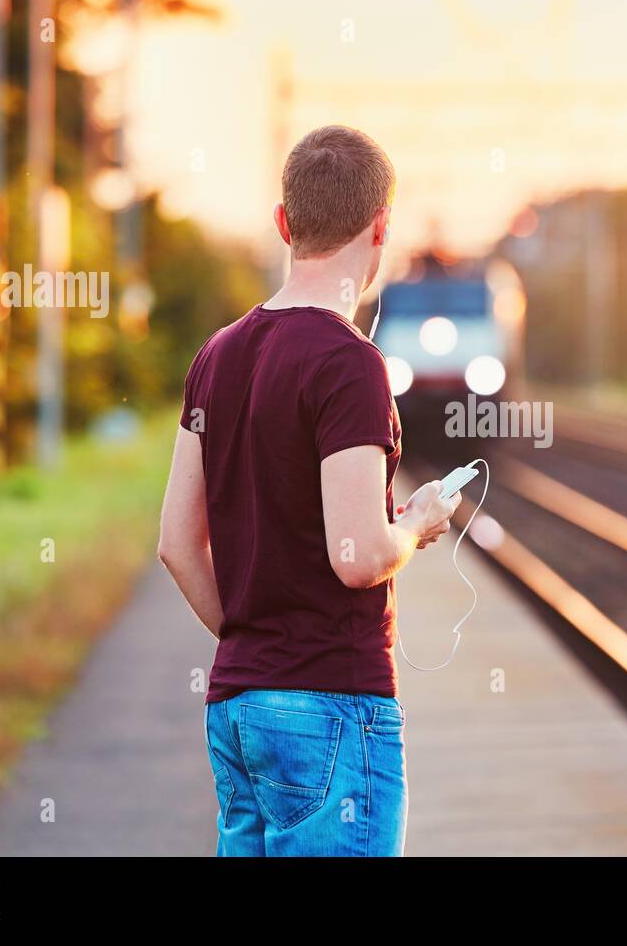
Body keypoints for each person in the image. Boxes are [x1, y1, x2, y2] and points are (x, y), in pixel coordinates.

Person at [157, 124, 461, 856]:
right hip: (331, 705)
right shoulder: (349, 365)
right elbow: (357, 557)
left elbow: (176, 544)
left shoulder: (216, 356)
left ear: (284, 224)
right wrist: (415, 527)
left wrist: (250, 641)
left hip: (237, 708)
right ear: (381, 227)